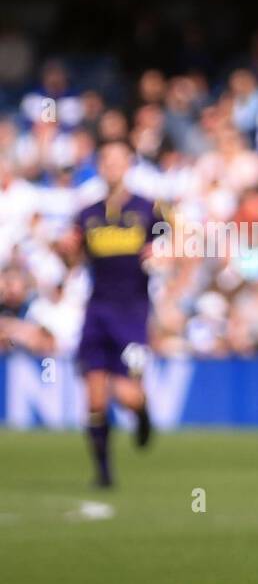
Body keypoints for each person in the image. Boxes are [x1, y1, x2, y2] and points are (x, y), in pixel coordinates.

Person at [60, 140, 161, 487]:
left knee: (124, 392)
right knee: (94, 394)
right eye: (105, 160)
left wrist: (163, 257)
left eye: (117, 160)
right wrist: (66, 252)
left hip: (132, 312)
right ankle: (103, 473)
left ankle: (142, 412)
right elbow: (73, 261)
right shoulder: (87, 212)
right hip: (97, 309)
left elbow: (173, 246)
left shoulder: (148, 209)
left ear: (129, 163)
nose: (111, 166)